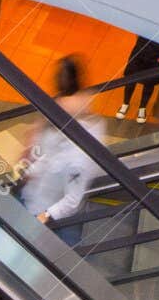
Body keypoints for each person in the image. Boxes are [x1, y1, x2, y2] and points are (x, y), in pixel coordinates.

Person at [20, 56, 102, 246]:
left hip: (47, 214)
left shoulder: (77, 159)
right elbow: (45, 155)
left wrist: (46, 216)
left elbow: (73, 199)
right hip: (34, 196)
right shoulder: (59, 132)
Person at [117, 34, 159, 123]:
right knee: (131, 79)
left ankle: (142, 108)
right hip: (140, 49)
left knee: (150, 82)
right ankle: (125, 103)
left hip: (157, 53)